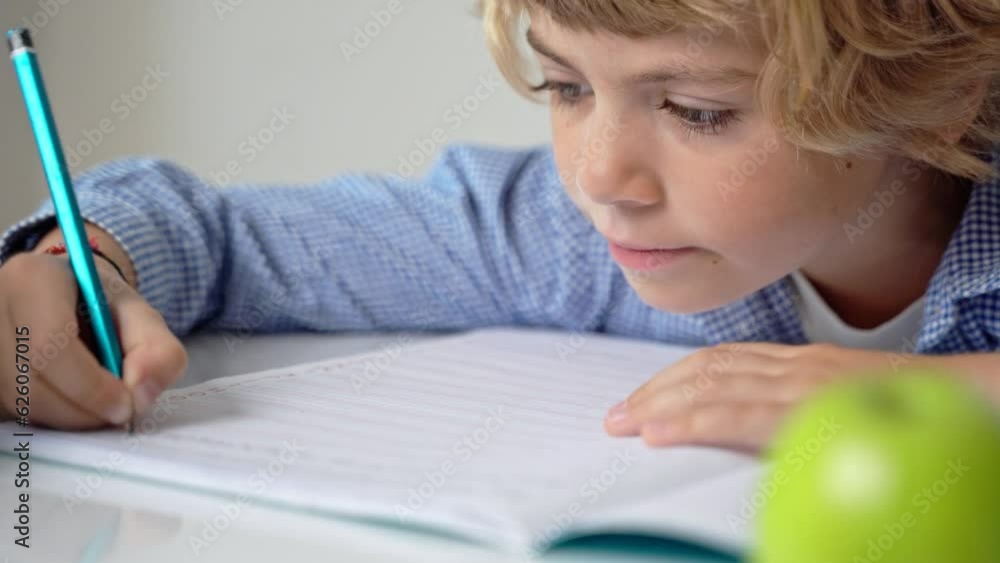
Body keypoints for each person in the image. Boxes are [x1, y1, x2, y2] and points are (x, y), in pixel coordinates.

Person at [2, 0, 999, 452]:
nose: (599, 176)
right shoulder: (571, 241)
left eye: (698, 110)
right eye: (564, 86)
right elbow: (223, 236)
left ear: (939, 93)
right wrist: (77, 263)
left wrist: (940, 396)